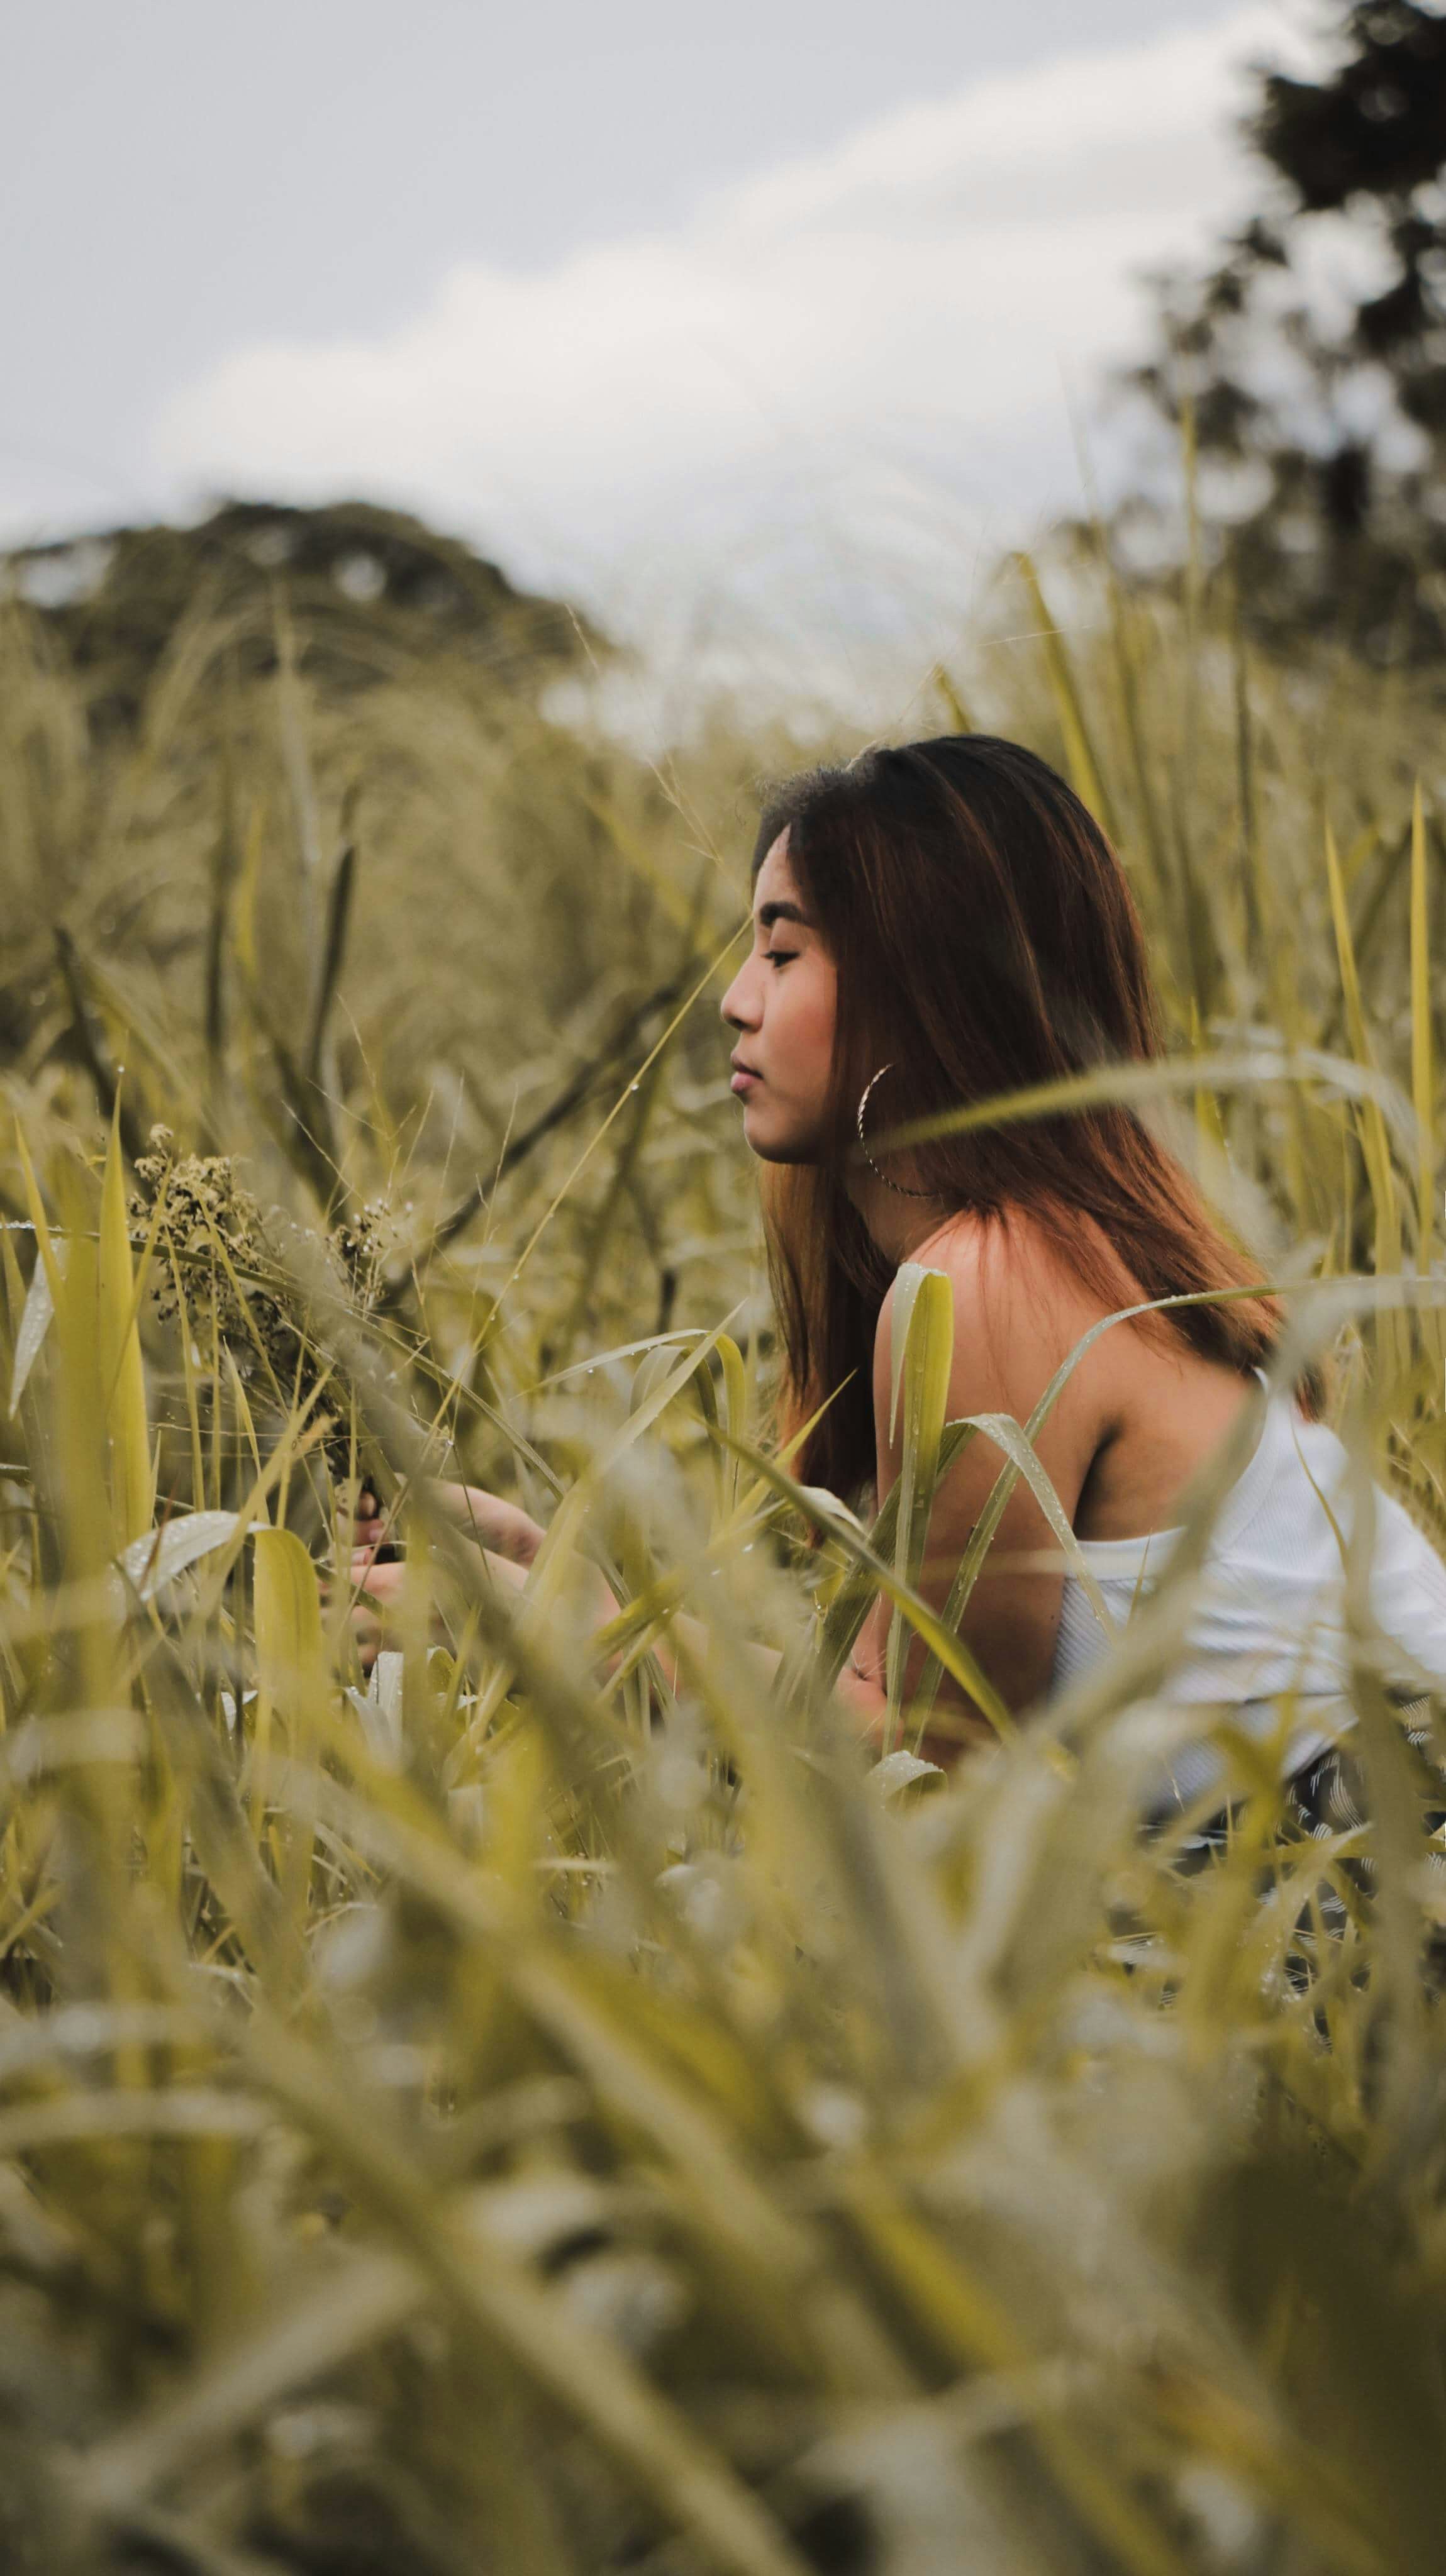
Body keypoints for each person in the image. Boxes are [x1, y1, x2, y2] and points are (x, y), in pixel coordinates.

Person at [351, 735, 1446, 1787]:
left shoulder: (993, 1281)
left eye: (783, 950)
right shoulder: (1036, 1251)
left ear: (924, 992)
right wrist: (561, 1582)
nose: (737, 997)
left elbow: (934, 1766)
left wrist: (559, 1633)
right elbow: (876, 1699)